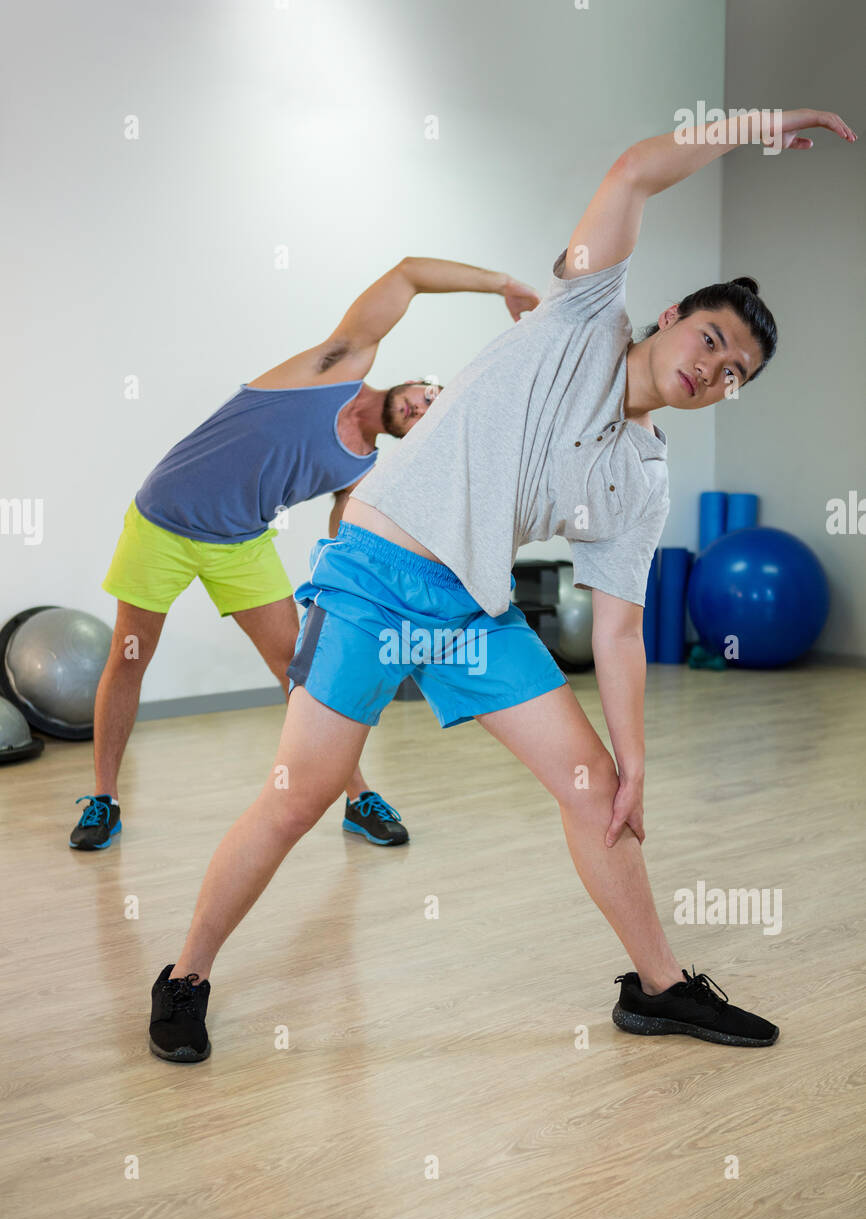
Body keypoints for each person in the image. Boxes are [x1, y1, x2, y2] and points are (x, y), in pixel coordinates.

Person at [148, 107, 856, 1062]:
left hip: (469, 608)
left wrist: (633, 758)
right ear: (672, 317)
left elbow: (616, 628)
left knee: (593, 785)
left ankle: (658, 990)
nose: (713, 369)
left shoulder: (643, 477)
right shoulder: (581, 317)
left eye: (735, 374)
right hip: (373, 576)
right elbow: (636, 169)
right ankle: (185, 975)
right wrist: (760, 125)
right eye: (712, 340)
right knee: (299, 796)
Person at [69, 256, 538, 851]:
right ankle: (103, 801)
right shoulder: (334, 365)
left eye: (431, 416)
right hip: (160, 520)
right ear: (417, 382)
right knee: (129, 656)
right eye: (429, 394)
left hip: (241, 544)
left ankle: (357, 797)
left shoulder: (362, 470)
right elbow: (409, 274)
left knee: (303, 670)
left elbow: (347, 540)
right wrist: (505, 284)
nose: (422, 407)